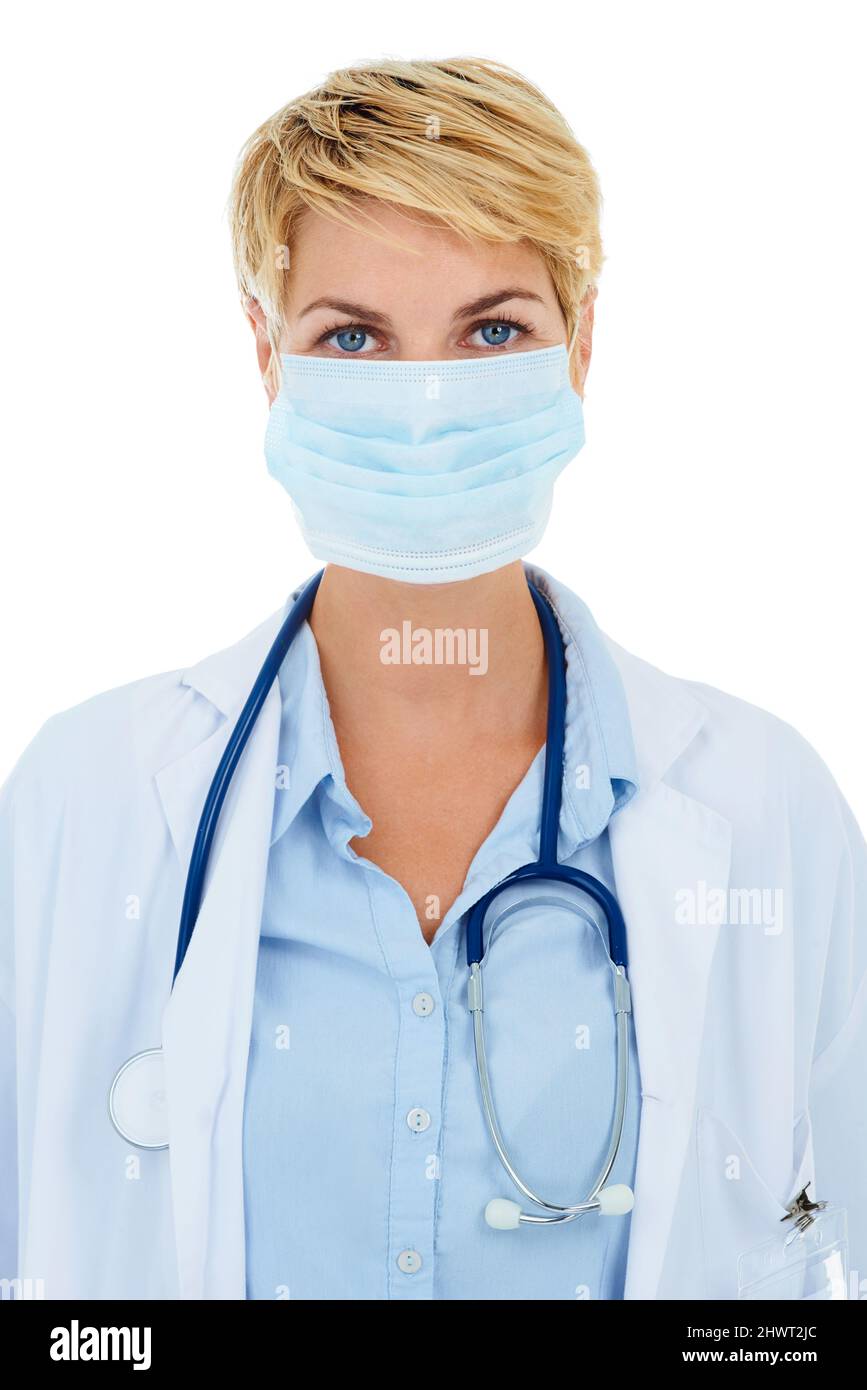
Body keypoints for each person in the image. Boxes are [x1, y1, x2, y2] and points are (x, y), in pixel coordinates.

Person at [1, 57, 864, 1303]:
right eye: (353, 336)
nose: (423, 405)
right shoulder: (79, 803)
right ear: (265, 353)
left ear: (582, 346)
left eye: (493, 329)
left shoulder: (769, 808)